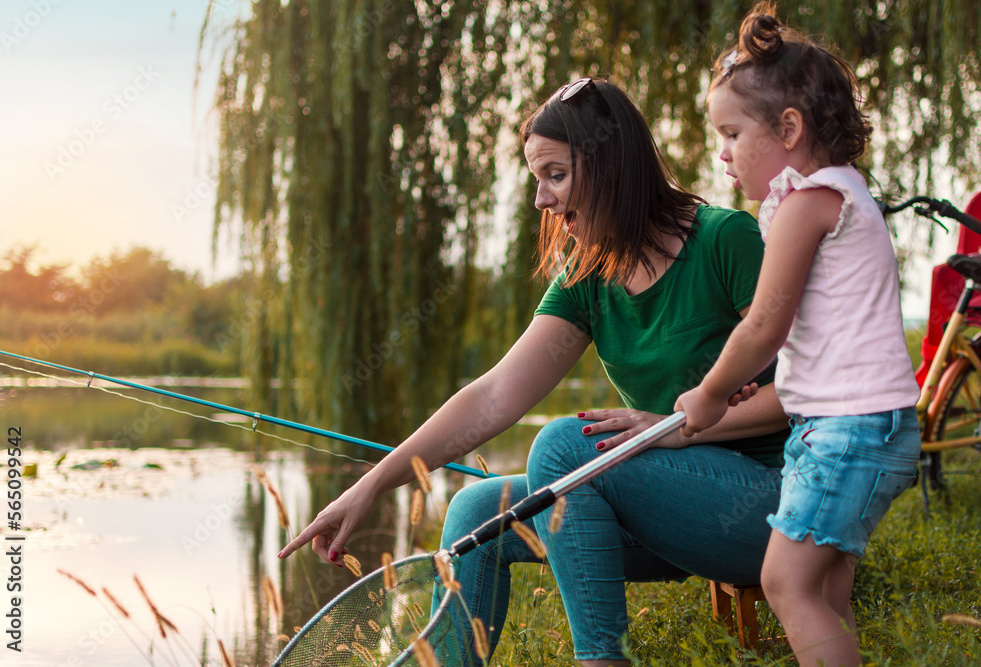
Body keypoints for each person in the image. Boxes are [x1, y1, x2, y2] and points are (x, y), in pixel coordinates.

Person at [279, 76, 790, 666]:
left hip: (767, 511)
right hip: (662, 518)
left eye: (556, 176)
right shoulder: (589, 275)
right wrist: (370, 485)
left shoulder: (727, 240)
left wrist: (675, 427)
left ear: (611, 166)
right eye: (536, 180)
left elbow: (805, 395)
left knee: (563, 445)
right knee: (476, 511)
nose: (542, 200)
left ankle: (601, 659)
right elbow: (495, 394)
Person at [674, 5, 921, 667]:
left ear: (789, 127)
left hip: (848, 427)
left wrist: (711, 394)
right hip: (862, 421)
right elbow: (825, 322)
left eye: (731, 133)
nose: (721, 151)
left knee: (785, 580)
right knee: (825, 585)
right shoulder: (841, 193)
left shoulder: (804, 203)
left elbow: (762, 323)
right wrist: (785, 374)